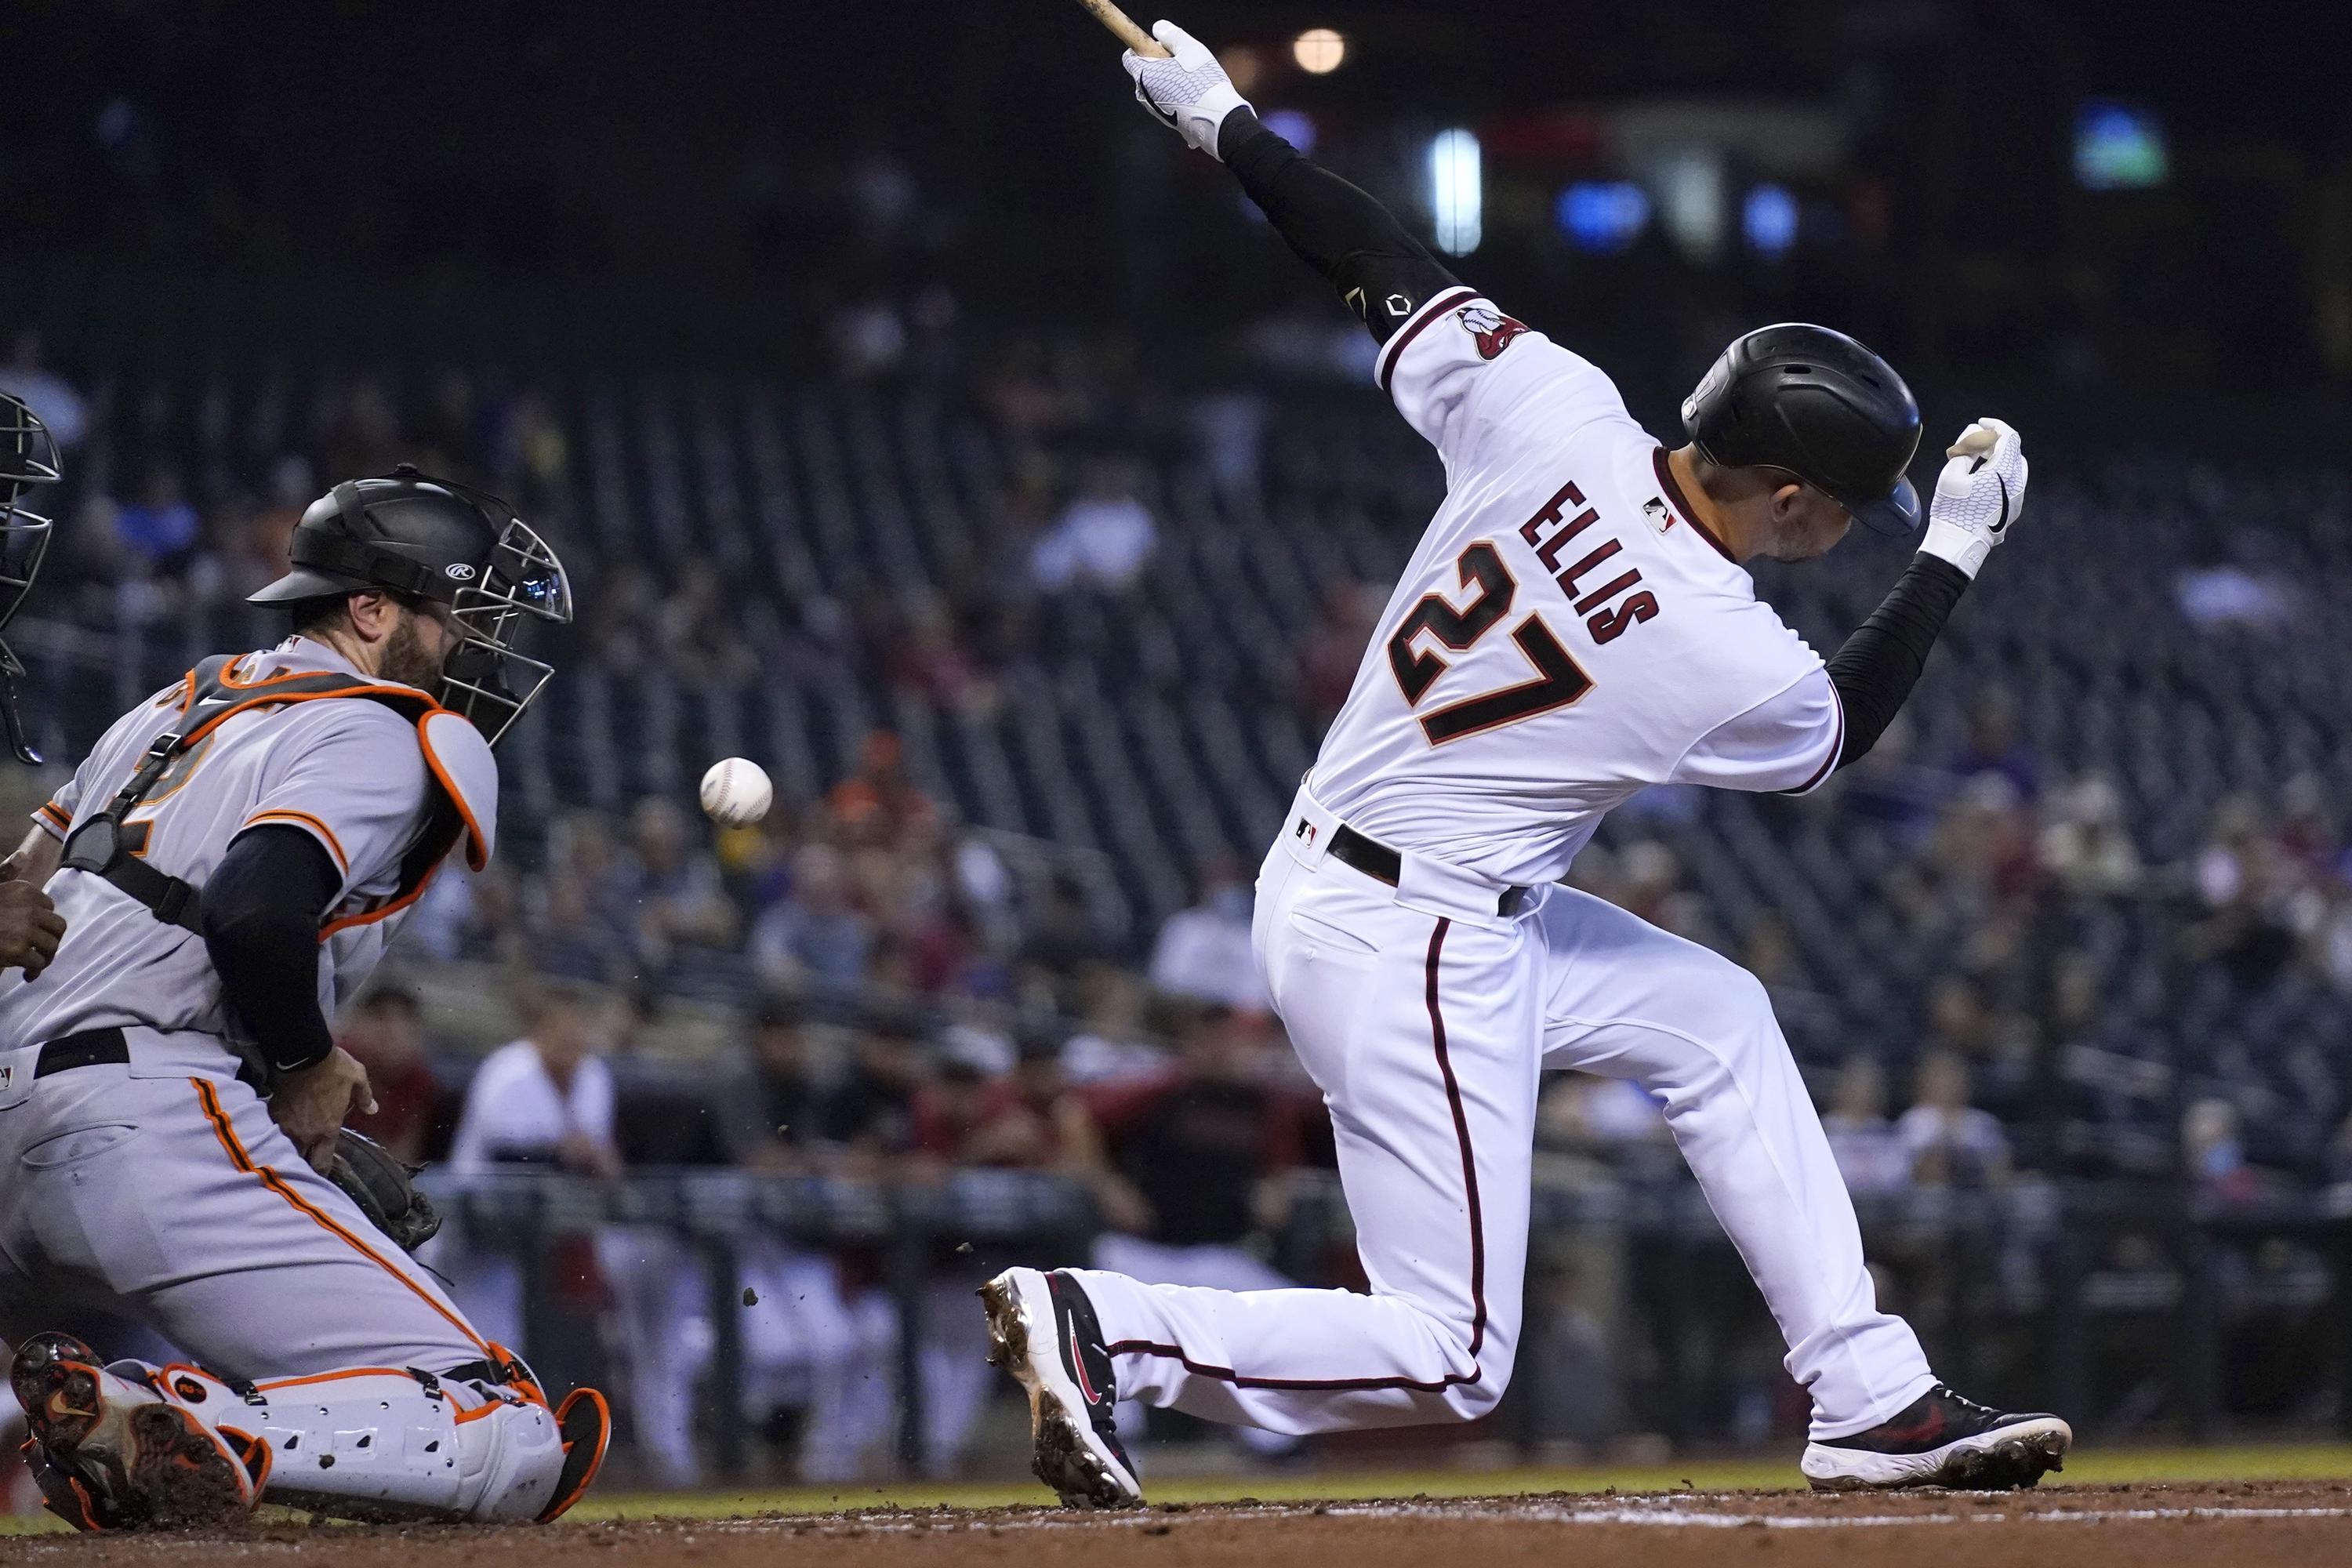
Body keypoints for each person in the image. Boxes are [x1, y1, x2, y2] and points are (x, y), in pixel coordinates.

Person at [980, 20, 2068, 1508]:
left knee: (1716, 1018)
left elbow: (1373, 258)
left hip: (1381, 880)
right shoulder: (1709, 635)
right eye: (1848, 513)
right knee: (1448, 1355)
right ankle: (1115, 1327)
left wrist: (1222, 122)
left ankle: (1868, 1393)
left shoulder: (1556, 406)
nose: (1843, 537)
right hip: (1412, 933)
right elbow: (1839, 733)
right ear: (1798, 498)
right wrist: (1951, 548)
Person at [0, 465, 604, 1530]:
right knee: (505, 1427)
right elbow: (255, 910)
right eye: (454, 614)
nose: (470, 645)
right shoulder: (373, 725)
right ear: (370, 608)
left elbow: (20, 887)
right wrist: (305, 1067)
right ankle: (195, 1431)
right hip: (139, 1121)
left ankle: (138, 1431)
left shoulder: (169, 705)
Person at [337, 983, 443, 1163]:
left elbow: (403, 1158)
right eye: (381, 1020)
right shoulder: (334, 1064)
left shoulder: (418, 1080)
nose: (391, 1036)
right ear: (357, 1023)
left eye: (402, 1027)